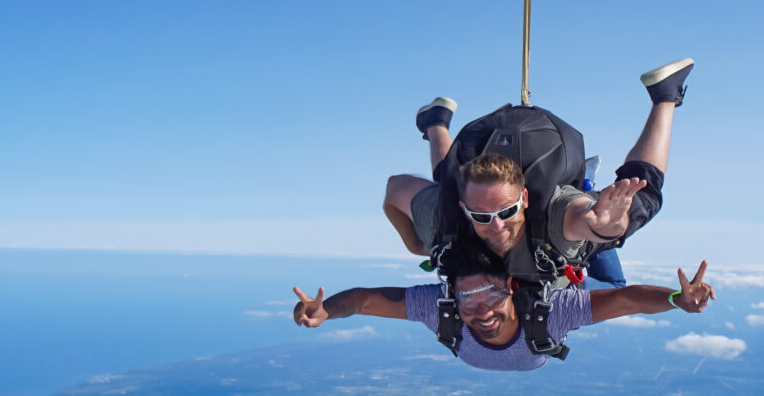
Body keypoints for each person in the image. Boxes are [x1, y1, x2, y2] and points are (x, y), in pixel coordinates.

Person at [382, 58, 694, 286]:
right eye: (481, 216)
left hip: (557, 208)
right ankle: (436, 122)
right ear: (466, 210)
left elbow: (581, 219)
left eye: (506, 211)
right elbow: (395, 190)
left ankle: (665, 98)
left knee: (645, 195)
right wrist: (419, 244)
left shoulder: (553, 223)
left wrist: (606, 226)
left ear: (526, 198)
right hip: (480, 185)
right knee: (450, 181)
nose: (496, 225)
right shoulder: (446, 218)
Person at [292, 247, 715, 372]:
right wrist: (326, 310)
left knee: (609, 283)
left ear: (512, 291)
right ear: (453, 299)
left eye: (492, 298)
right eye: (467, 301)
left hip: (544, 286)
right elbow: (365, 301)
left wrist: (678, 301)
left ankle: (591, 226)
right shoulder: (441, 309)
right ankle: (436, 124)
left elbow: (627, 299)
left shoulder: (551, 312)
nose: (481, 311)